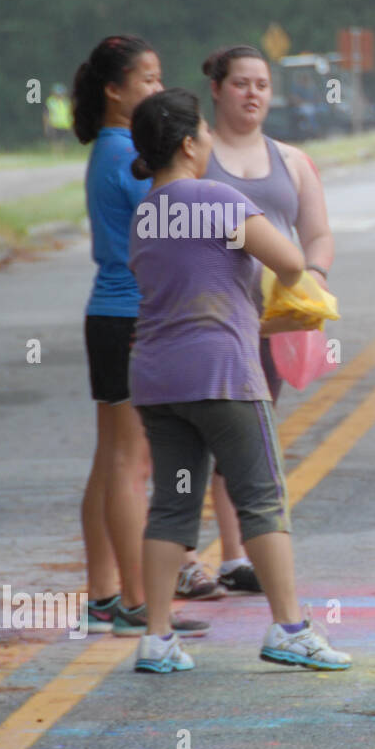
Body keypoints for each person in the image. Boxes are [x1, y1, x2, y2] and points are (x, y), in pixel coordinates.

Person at [126, 87, 352, 674]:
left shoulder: (145, 211)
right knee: (260, 497)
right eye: (203, 133)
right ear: (186, 143)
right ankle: (290, 628)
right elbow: (293, 261)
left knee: (172, 507)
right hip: (223, 373)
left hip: (156, 380)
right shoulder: (217, 198)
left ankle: (156, 636)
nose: (209, 142)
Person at [71, 35, 214, 641]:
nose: (156, 89)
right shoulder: (125, 156)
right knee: (133, 462)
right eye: (147, 81)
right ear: (115, 90)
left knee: (113, 459)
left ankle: (104, 591)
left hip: (111, 315)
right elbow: (175, 206)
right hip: (130, 317)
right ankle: (134, 599)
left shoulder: (110, 149)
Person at [180, 44, 336, 596]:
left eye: (262, 85)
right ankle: (190, 553)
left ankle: (235, 559)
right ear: (217, 89)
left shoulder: (291, 160)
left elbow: (316, 233)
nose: (253, 94)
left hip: (271, 323)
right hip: (209, 317)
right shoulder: (196, 155)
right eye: (241, 83)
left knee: (251, 429)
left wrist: (312, 275)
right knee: (209, 435)